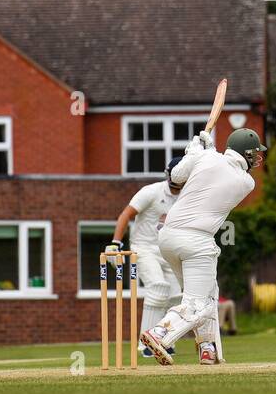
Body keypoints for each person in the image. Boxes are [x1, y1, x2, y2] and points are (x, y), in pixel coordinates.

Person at [140, 127, 265, 366]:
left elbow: (176, 176)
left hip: (168, 238)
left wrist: (194, 153)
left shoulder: (208, 158)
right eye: (254, 153)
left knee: (208, 294)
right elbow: (218, 169)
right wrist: (201, 154)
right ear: (247, 154)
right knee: (197, 303)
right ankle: (160, 333)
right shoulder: (245, 181)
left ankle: (208, 348)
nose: (257, 158)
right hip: (196, 242)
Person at [106, 155, 186, 359]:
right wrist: (116, 243)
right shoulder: (151, 191)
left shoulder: (187, 196)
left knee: (177, 297)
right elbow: (126, 214)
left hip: (168, 250)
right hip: (144, 248)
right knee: (158, 288)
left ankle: (165, 342)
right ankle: (146, 344)